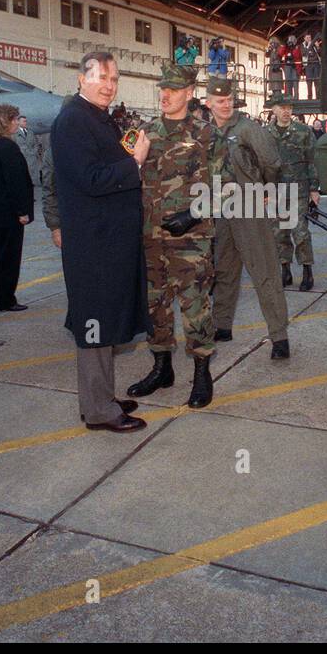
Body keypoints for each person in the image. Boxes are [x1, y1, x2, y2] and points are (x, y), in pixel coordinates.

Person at [51, 50, 148, 432]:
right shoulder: (73, 120)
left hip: (107, 241)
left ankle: (100, 398)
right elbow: (91, 179)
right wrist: (135, 162)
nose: (108, 86)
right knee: (93, 323)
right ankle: (98, 411)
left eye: (113, 80)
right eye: (101, 78)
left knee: (104, 321)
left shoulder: (96, 118)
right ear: (81, 79)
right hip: (94, 245)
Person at [126, 64, 214, 409]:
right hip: (150, 238)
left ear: (189, 93)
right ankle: (162, 367)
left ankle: (202, 373)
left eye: (174, 89)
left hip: (191, 241)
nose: (165, 95)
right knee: (155, 306)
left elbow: (230, 186)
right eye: (162, 88)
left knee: (195, 307)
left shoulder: (208, 134)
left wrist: (194, 213)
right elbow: (123, 176)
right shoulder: (141, 133)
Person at [204, 76, 290, 358]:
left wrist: (267, 189)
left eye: (229, 99)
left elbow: (272, 162)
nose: (226, 104)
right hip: (220, 210)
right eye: (220, 101)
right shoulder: (206, 131)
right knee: (224, 270)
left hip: (248, 207)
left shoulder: (248, 129)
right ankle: (222, 325)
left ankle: (279, 337)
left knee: (263, 269)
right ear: (209, 103)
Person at [0, 103, 34, 312]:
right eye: (14, 119)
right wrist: (22, 211)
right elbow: (16, 182)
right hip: (7, 211)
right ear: (6, 121)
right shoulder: (7, 147)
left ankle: (2, 297)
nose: (16, 123)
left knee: (0, 257)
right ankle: (6, 299)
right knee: (10, 258)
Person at [265, 95, 320, 292]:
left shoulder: (303, 132)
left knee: (301, 233)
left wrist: (314, 188)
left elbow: (312, 161)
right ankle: (285, 270)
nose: (286, 111)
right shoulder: (265, 134)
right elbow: (261, 164)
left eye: (289, 107)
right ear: (274, 110)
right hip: (274, 191)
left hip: (299, 190)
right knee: (279, 233)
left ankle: (307, 271)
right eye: (282, 107)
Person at [301, 33, 321, 100]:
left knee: (317, 82)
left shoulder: (314, 44)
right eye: (307, 38)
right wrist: (309, 45)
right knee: (309, 82)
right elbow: (304, 53)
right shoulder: (302, 45)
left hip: (316, 64)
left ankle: (318, 97)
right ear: (304, 38)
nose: (308, 39)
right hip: (308, 65)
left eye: (310, 38)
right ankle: (309, 98)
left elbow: (320, 53)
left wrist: (318, 47)